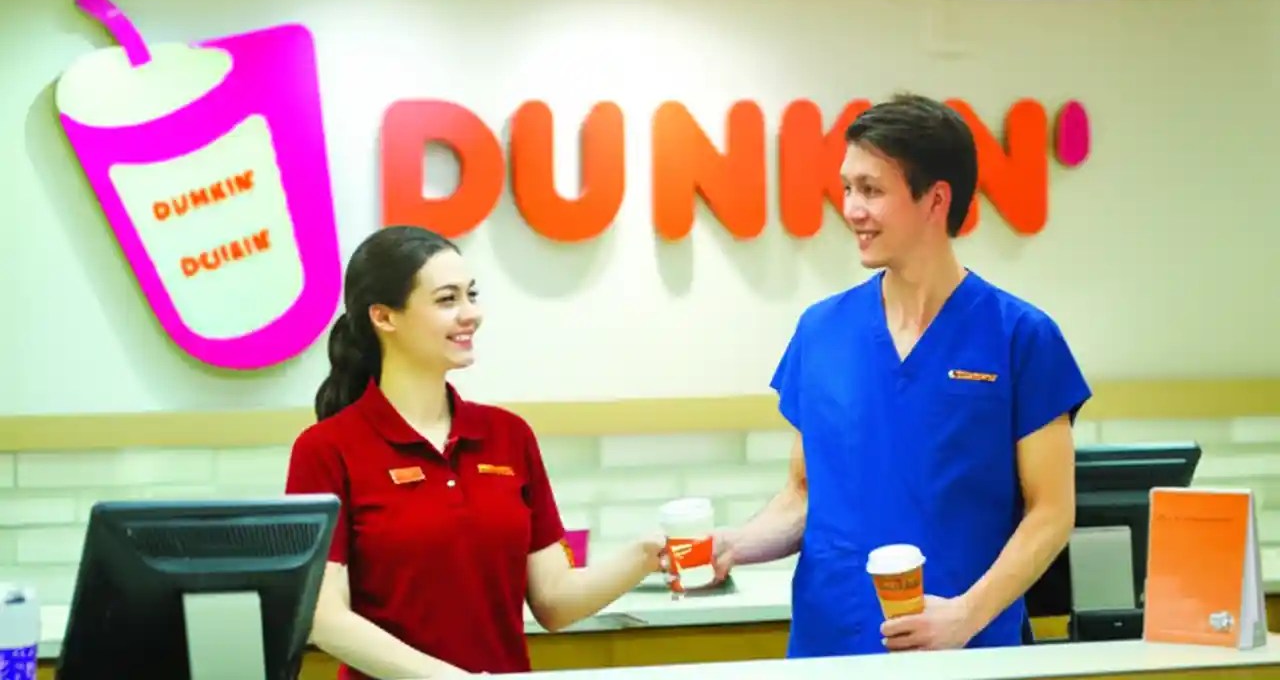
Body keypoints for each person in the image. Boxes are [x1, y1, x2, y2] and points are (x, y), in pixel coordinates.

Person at [709, 93, 1089, 657]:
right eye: (847, 188)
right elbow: (805, 493)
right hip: (830, 649)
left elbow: (1052, 512)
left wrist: (966, 615)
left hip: (965, 653)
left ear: (936, 199)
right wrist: (733, 545)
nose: (851, 209)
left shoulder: (1020, 337)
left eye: (871, 190)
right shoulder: (821, 332)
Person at [285, 226, 665, 679]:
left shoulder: (509, 435)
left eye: (471, 295)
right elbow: (325, 618)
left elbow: (554, 601)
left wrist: (645, 556)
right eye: (447, 300)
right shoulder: (327, 450)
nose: (472, 314)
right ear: (384, 317)